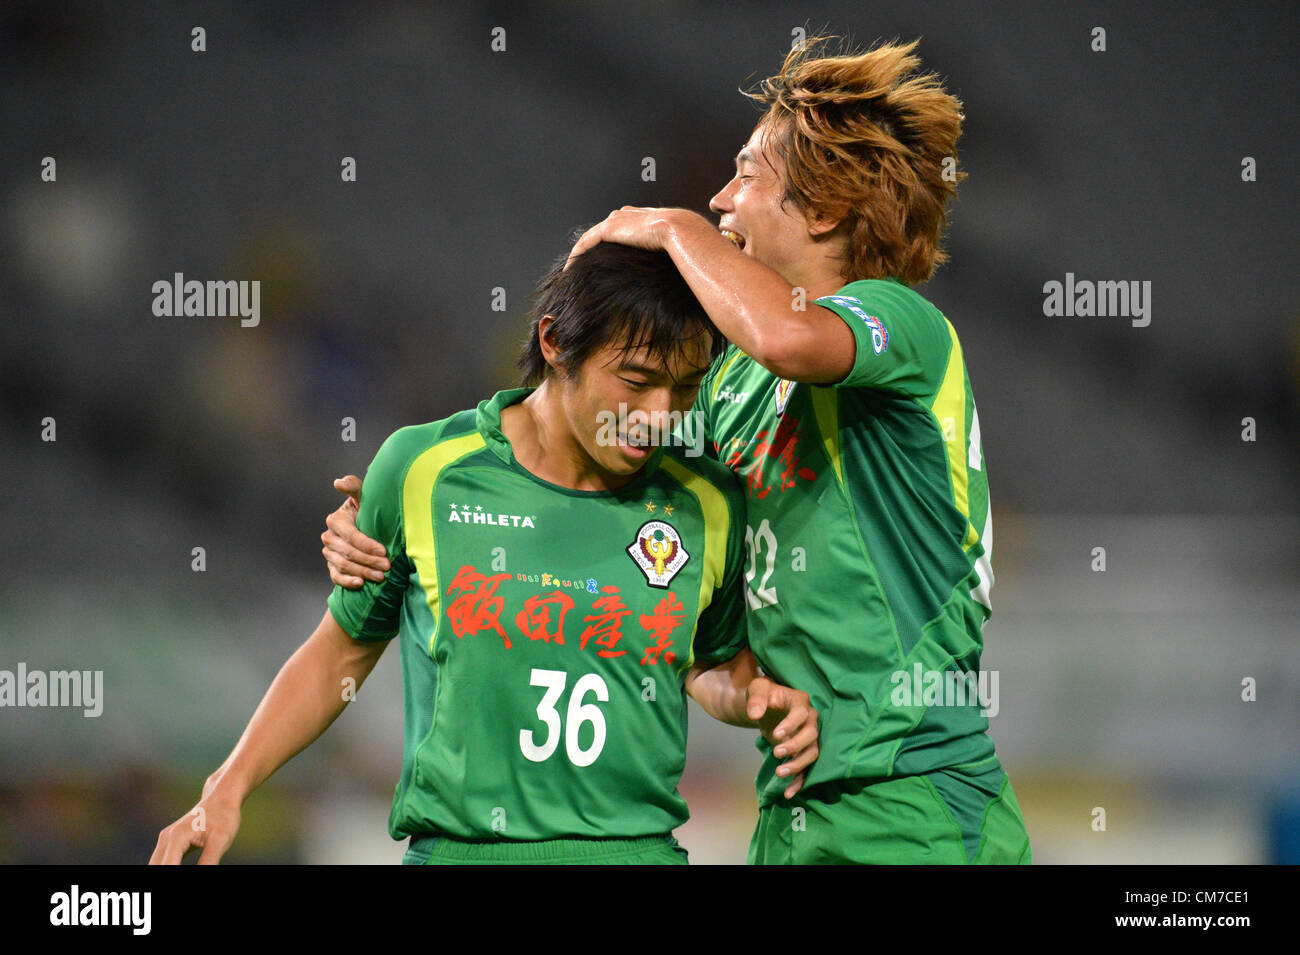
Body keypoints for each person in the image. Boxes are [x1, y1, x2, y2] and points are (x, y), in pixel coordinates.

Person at [327, 37, 1031, 864]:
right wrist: (397, 508)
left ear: (825, 209)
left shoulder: (903, 325)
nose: (722, 198)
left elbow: (788, 335)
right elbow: (590, 459)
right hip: (797, 801)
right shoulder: (725, 383)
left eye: (747, 175)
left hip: (914, 796)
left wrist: (672, 226)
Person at [151, 242, 818, 866]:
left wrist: (753, 698)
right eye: (636, 380)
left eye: (684, 388)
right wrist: (227, 785)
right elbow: (340, 652)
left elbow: (710, 664)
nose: (659, 414)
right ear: (555, 342)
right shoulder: (425, 469)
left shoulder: (707, 501)